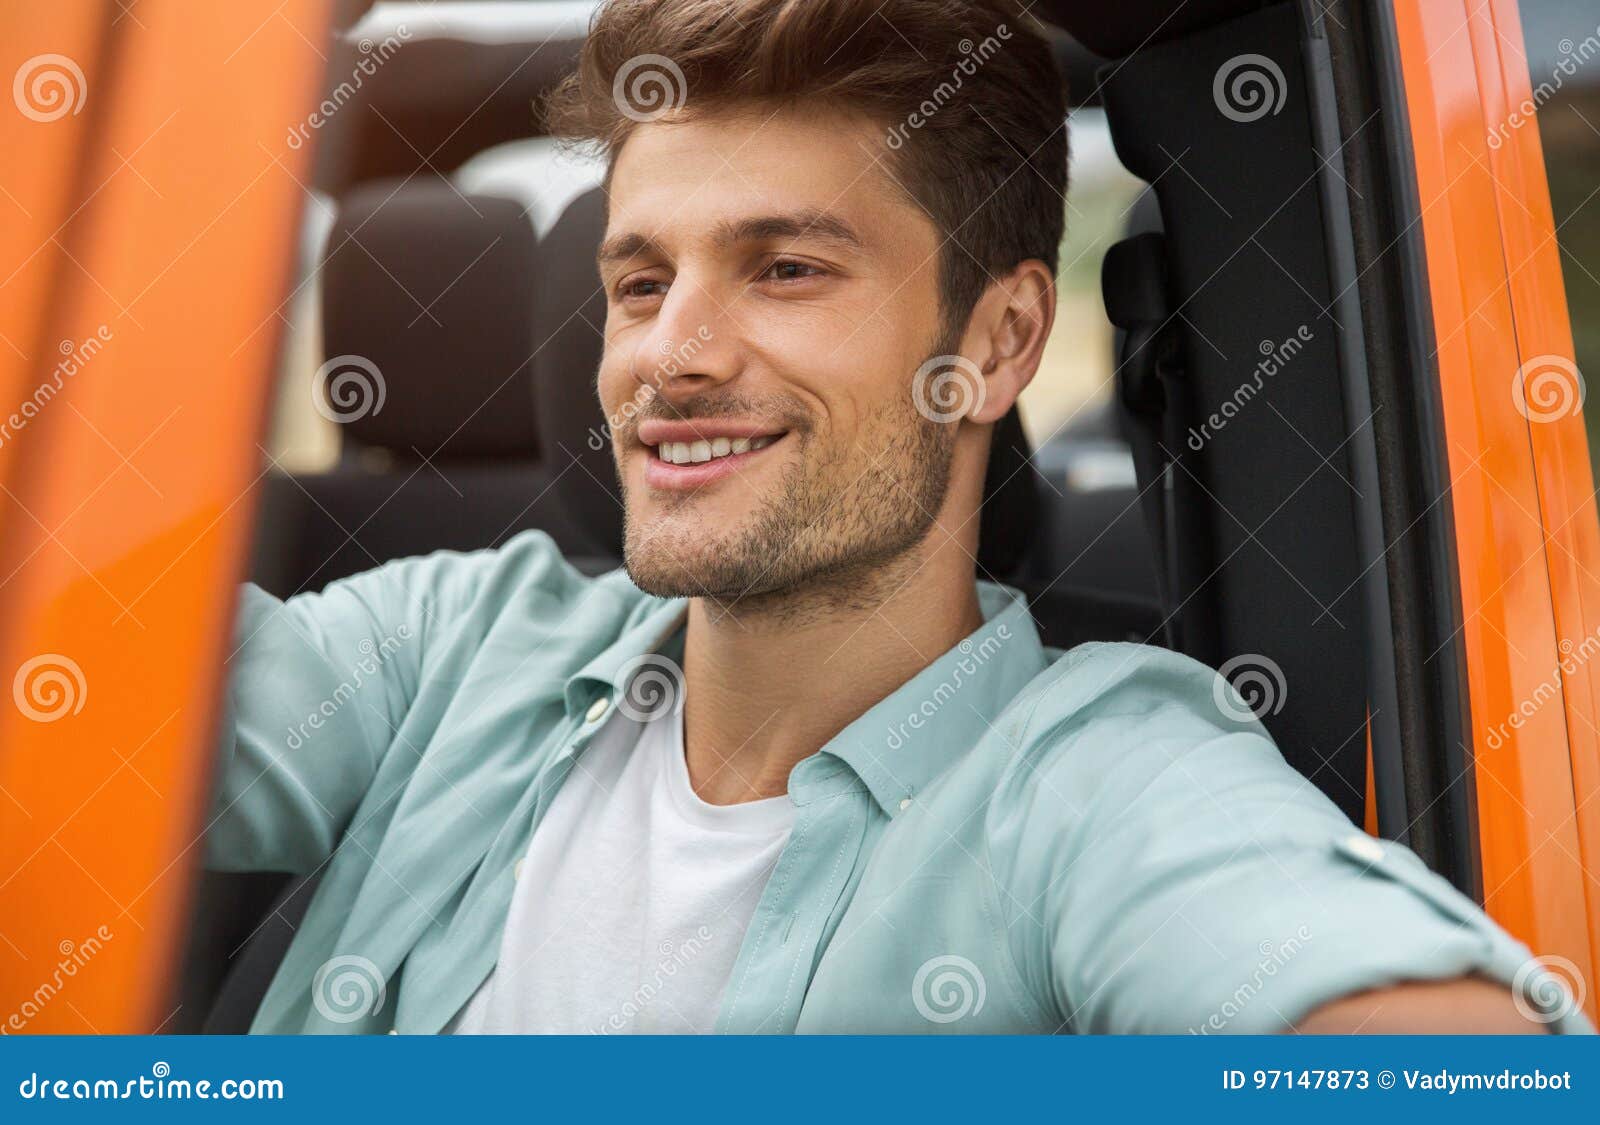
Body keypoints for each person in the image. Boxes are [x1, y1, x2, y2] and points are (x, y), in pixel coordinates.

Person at [210, 0, 1591, 1034]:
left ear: (997, 342)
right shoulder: (447, 641)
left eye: (787, 266)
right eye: (638, 283)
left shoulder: (1091, 778)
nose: (667, 354)